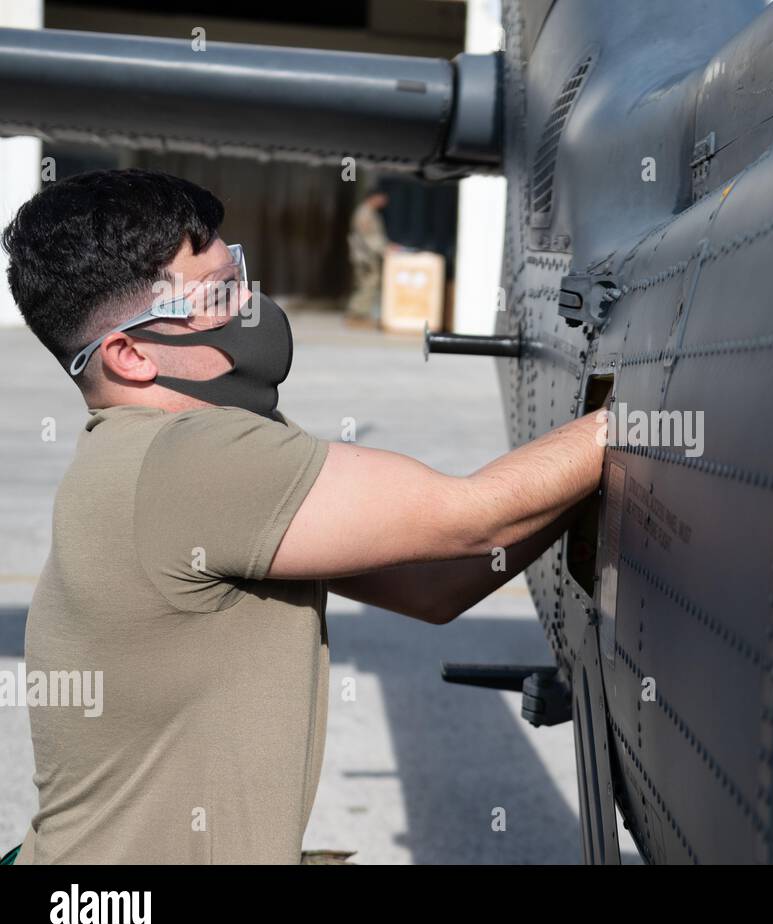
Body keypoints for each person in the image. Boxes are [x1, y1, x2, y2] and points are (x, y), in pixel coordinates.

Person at [0, 169, 606, 864]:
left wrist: (580, 478)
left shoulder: (134, 461)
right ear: (130, 354)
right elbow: (478, 518)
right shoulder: (194, 461)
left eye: (242, 279)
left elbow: (438, 585)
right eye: (220, 296)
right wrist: (638, 418)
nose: (253, 307)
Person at [346, 187, 391, 327]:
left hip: (368, 255)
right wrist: (385, 248)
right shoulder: (365, 213)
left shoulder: (370, 212)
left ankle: (360, 314)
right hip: (364, 256)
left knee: (369, 283)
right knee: (367, 284)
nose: (384, 202)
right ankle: (357, 314)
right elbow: (369, 237)